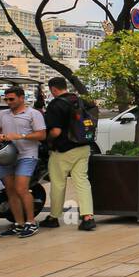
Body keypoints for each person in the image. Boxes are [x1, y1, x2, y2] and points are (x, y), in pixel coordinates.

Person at [0, 86, 46, 238]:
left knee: (21, 189)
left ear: (21, 98)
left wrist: (21, 136)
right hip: (6, 156)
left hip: (27, 155)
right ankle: (19, 224)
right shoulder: (2, 114)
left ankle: (31, 222)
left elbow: (42, 135)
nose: (8, 102)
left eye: (11, 99)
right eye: (6, 99)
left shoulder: (33, 114)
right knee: (10, 191)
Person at [40, 76, 96, 231]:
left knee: (58, 183)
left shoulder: (56, 105)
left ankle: (53, 217)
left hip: (64, 150)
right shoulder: (79, 100)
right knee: (82, 181)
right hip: (83, 146)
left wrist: (48, 139)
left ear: (53, 89)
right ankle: (88, 217)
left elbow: (56, 131)